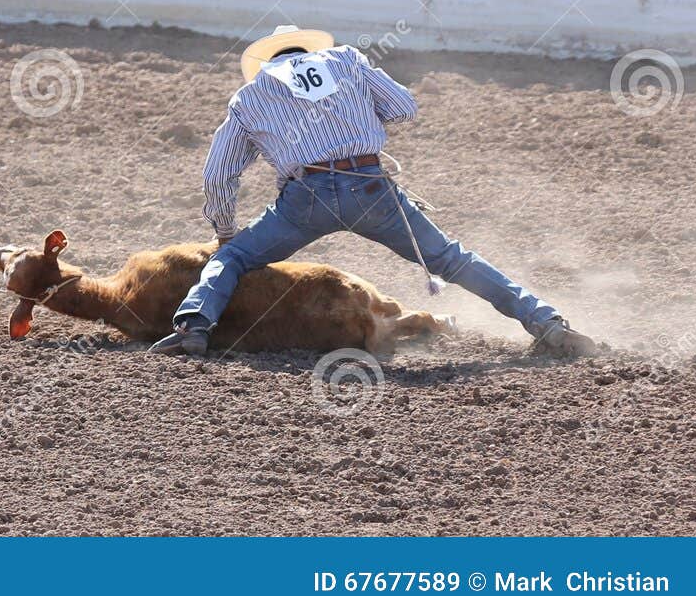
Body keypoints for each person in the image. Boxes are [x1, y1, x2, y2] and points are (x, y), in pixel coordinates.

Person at [149, 25, 597, 357]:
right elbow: (404, 107)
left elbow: (218, 174)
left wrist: (226, 229)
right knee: (450, 259)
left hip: (306, 197)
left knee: (232, 258)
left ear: (269, 63)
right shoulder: (347, 60)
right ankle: (548, 324)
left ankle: (193, 328)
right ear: (307, 52)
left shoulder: (250, 97)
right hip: (370, 188)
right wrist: (355, 122)